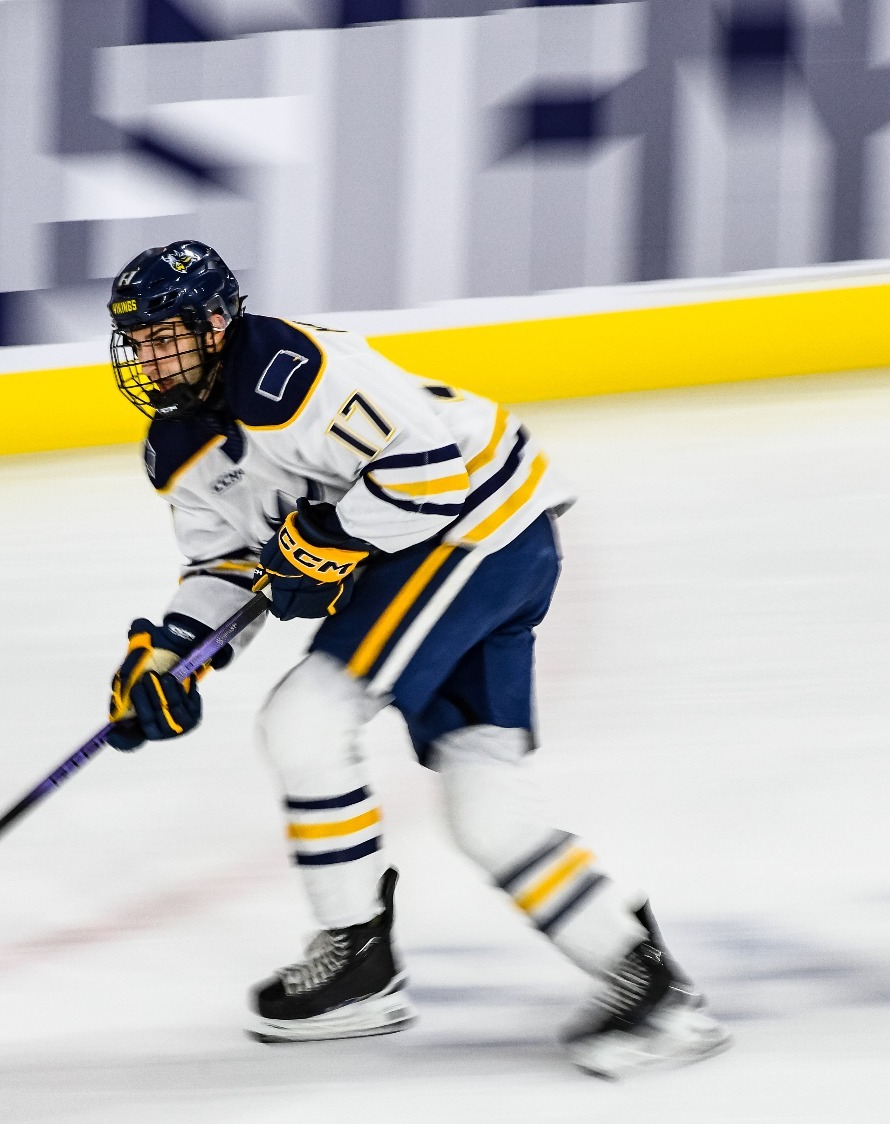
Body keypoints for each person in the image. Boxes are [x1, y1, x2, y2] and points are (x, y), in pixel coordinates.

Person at [101, 240, 731, 1079]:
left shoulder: (299, 375)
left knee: (306, 719)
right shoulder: (178, 447)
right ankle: (635, 969)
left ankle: (357, 961)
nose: (149, 357)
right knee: (484, 809)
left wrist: (326, 538)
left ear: (217, 325)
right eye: (137, 342)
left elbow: (430, 473)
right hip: (453, 547)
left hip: (475, 528)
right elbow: (226, 567)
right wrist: (167, 660)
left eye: (164, 334)